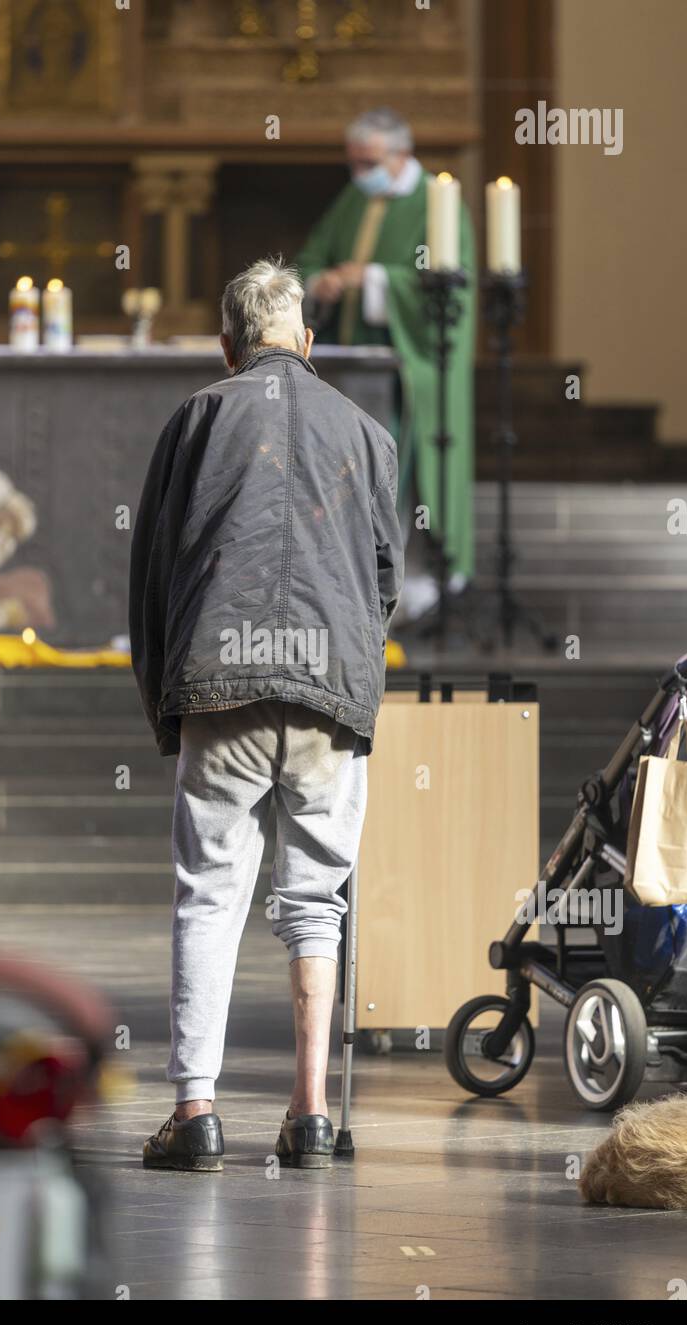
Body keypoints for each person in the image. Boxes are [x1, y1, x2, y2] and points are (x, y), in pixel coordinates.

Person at [129, 257, 403, 1172]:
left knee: (209, 893)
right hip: (331, 687)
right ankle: (311, 1115)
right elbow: (385, 582)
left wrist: (165, 702)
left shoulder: (196, 418)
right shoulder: (366, 431)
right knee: (314, 903)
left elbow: (153, 575)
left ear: (226, 344)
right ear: (307, 341)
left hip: (218, 683)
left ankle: (196, 1114)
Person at [295, 106, 476, 621]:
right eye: (353, 163)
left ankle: (417, 577)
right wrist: (322, 279)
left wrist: (372, 279)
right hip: (354, 369)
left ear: (401, 156)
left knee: (407, 471)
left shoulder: (438, 204)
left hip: (408, 369)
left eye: (368, 162)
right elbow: (312, 256)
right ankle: (353, 577)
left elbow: (447, 288)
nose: (359, 173)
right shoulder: (356, 198)